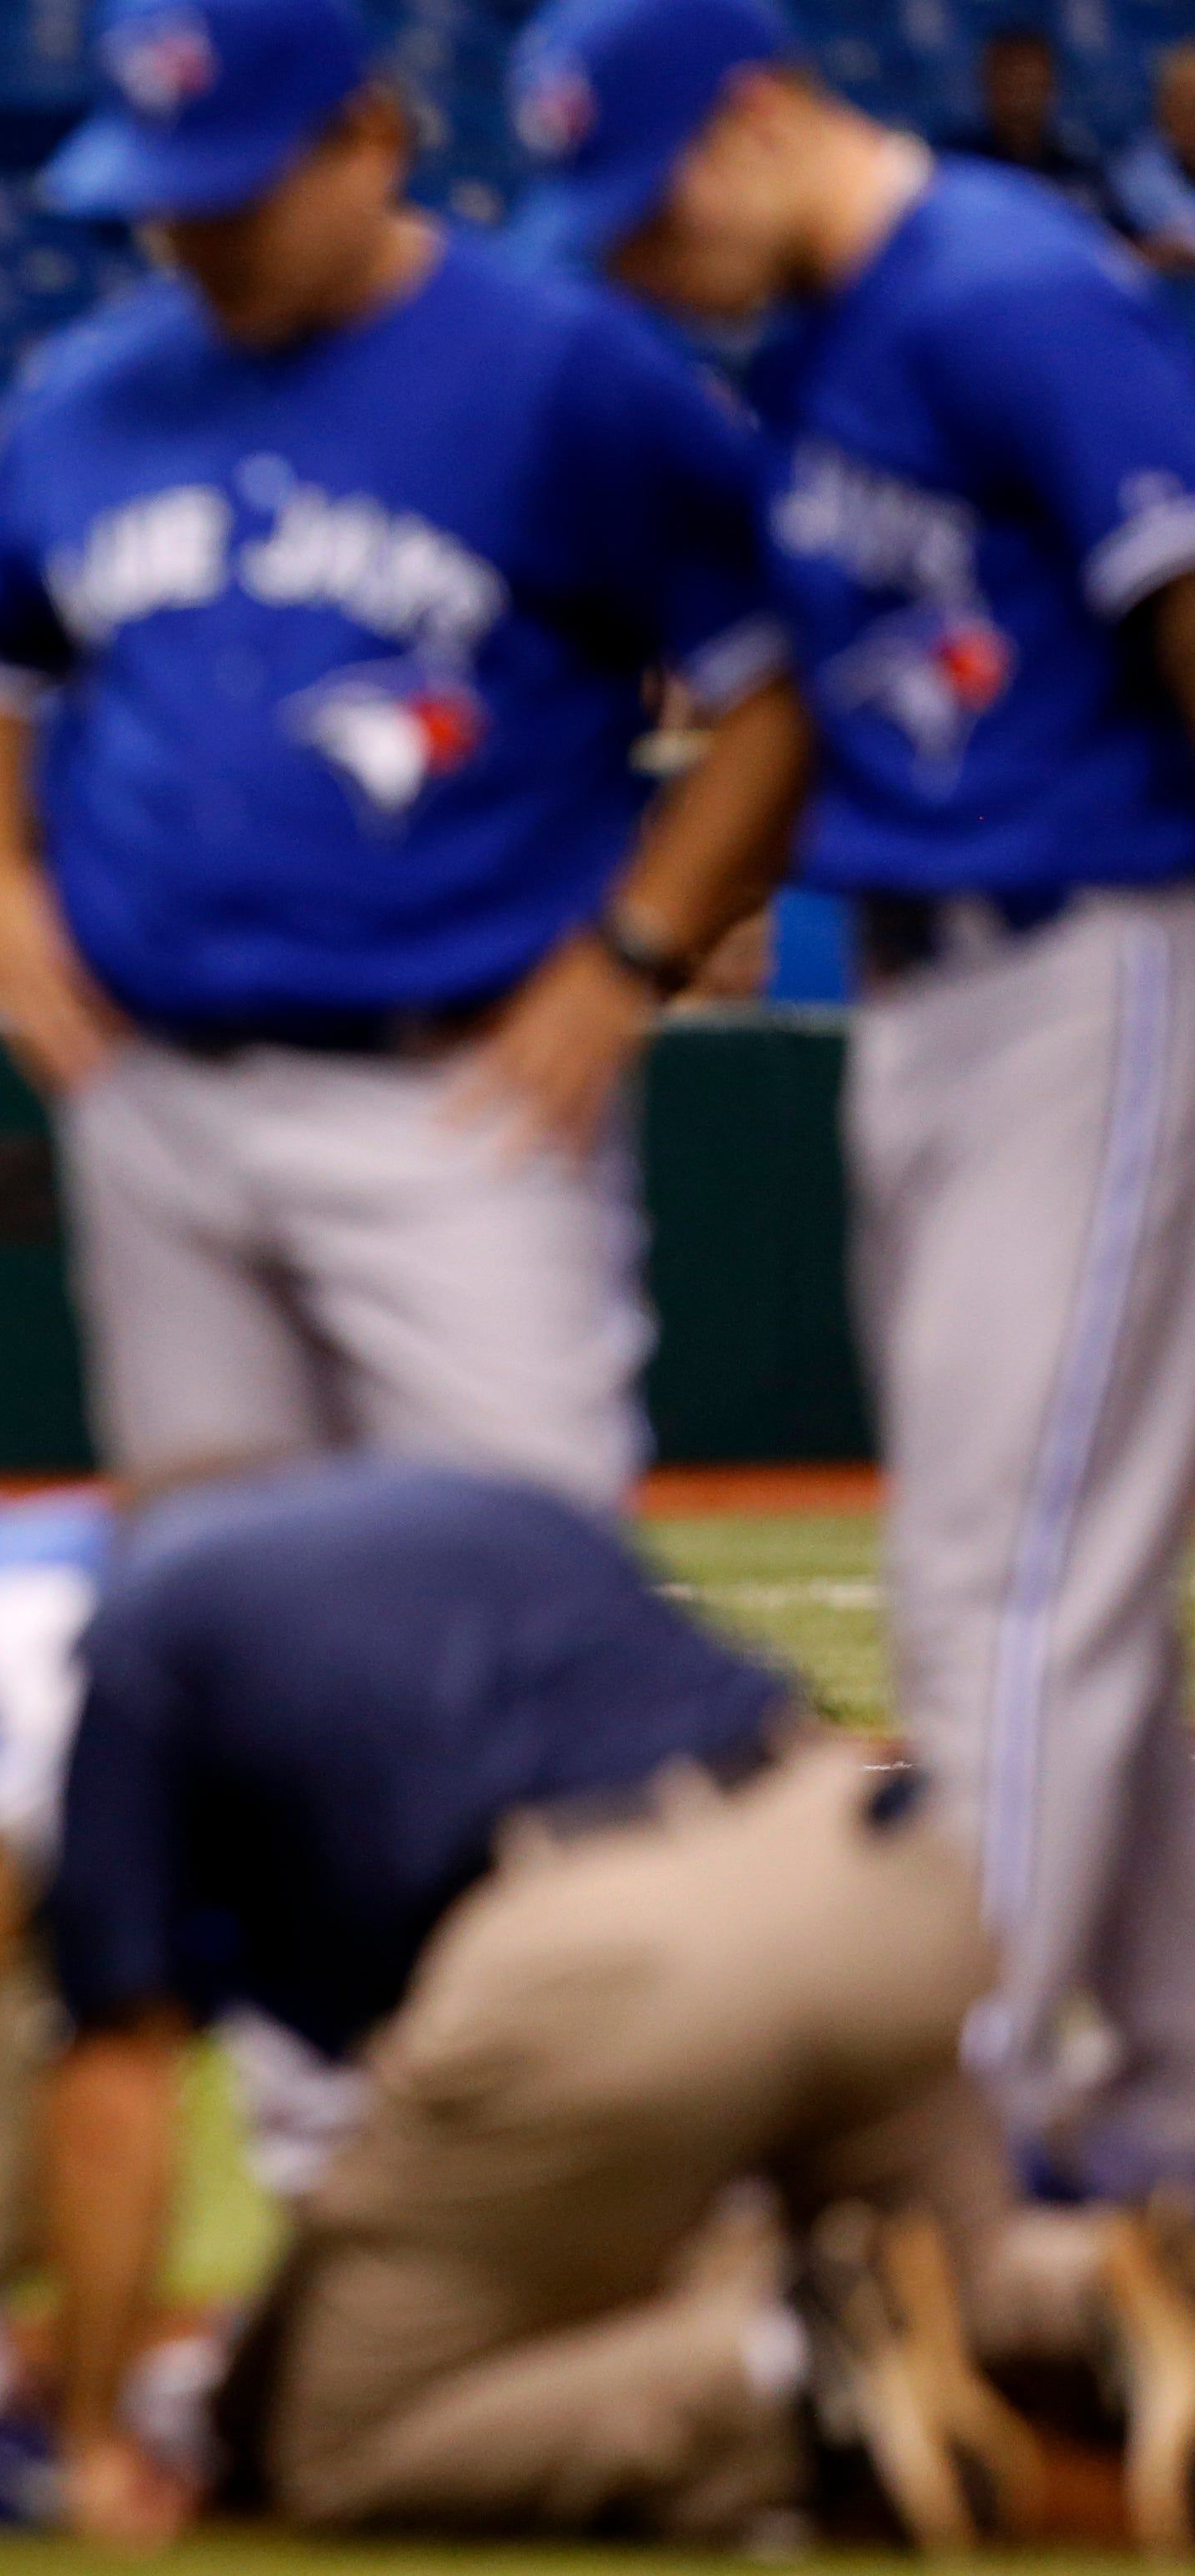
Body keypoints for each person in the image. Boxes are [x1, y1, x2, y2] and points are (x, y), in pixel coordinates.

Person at [514, 0, 1195, 2206]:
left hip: (1086, 944)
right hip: (931, 980)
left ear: (748, 115)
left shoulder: (1005, 289)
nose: (637, 264)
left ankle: (959, 2098)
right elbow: (810, 688)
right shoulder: (820, 338)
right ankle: (1157, 2092)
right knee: (1033, 1562)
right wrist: (630, 951)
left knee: (1001, 1575)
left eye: (647, 207)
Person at [0, 0, 814, 1516]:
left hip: (457, 1090)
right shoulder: (89, 390)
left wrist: (634, 952)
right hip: (157, 1095)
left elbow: (779, 687)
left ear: (372, 136)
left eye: (239, 193)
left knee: (518, 1588)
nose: (201, 240)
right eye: (169, 202)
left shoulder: (564, 370)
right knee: (220, 1601)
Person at [28, 1459, 1195, 2555]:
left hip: (620, 1953)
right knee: (961, 2270)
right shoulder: (479, 1504)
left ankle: (793, 2374)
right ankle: (1097, 2281)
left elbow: (115, 2089)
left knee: (336, 2441)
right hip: (869, 1864)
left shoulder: (138, 1642)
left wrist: (90, 2433)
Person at [939, 17, 1124, 233]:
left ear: (1051, 84)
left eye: (1030, 79)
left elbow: (1116, 246)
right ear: (986, 82)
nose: (1020, 93)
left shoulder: (1079, 166)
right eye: (1009, 78)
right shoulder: (956, 168)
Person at [1108, 41, 1195, 271]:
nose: (1191, 118)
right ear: (1162, 108)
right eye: (1183, 104)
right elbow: (1180, 238)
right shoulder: (1135, 171)